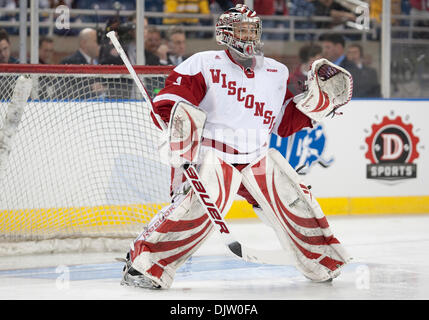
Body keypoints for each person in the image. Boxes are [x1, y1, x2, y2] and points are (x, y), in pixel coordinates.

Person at [118, 4, 350, 289]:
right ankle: (143, 264)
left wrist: (312, 108)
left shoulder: (276, 72)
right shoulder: (204, 62)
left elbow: (283, 122)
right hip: (214, 154)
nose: (249, 36)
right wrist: (177, 127)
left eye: (253, 30)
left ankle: (322, 261)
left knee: (296, 202)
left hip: (256, 155)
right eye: (242, 29)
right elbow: (169, 104)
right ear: (225, 33)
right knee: (195, 211)